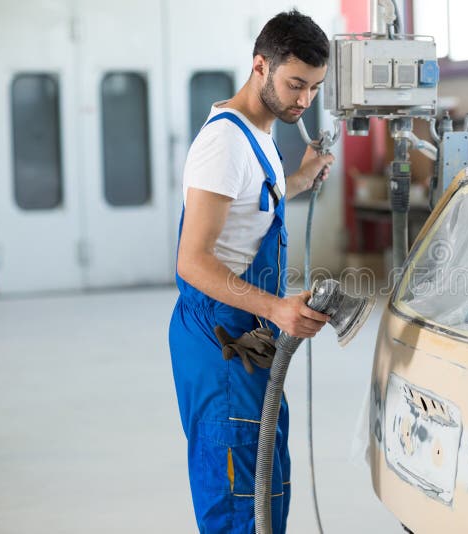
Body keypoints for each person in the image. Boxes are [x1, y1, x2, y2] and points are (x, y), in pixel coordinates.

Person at [168, 10, 334, 533]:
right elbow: (192, 262)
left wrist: (300, 178)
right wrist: (277, 307)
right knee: (239, 503)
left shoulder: (259, 134)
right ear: (260, 66)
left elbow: (247, 204)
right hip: (222, 342)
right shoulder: (223, 144)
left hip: (252, 339)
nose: (303, 101)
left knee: (266, 492)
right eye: (295, 85)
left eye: (314, 88)